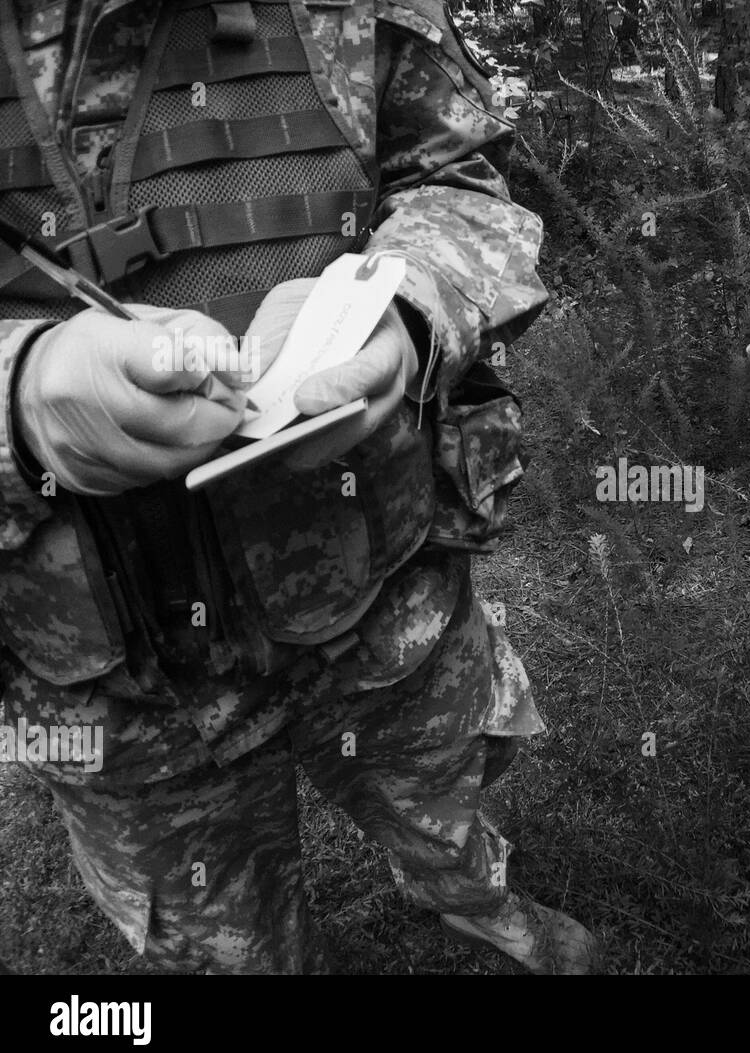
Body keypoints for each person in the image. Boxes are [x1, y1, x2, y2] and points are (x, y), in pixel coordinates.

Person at [0, 0, 596, 974]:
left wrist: (401, 309)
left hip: (371, 588)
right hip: (111, 685)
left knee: (445, 817)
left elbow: (464, 186)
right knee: (231, 950)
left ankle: (492, 922)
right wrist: (18, 400)